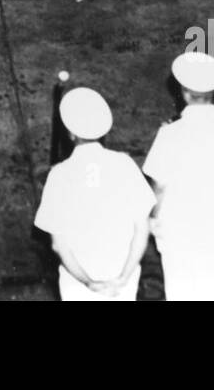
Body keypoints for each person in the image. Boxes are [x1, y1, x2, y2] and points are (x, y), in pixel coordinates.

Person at [142, 52, 214, 301]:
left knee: (178, 291)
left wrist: (153, 217)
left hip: (177, 221)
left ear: (184, 93)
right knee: (210, 291)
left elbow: (160, 185)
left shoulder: (169, 133)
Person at [33, 87, 155, 301]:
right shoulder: (125, 164)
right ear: (103, 130)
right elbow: (142, 228)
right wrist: (124, 278)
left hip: (78, 285)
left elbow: (57, 244)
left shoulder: (59, 175)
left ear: (70, 134)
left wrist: (89, 283)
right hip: (121, 283)